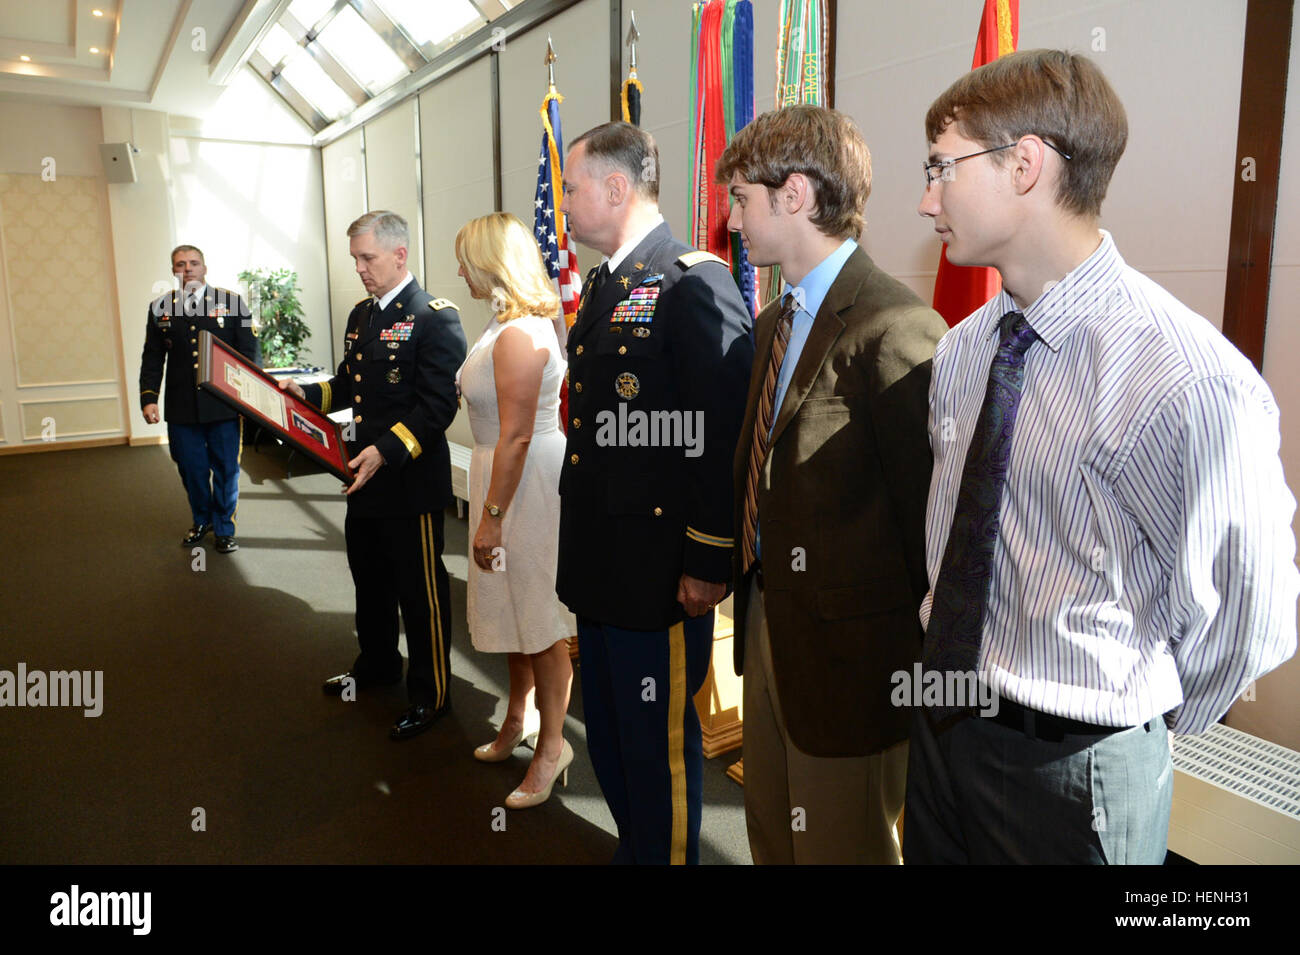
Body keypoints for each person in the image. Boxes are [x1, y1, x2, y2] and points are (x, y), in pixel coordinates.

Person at [907, 49, 1299, 864]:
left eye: (943, 169)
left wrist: (1130, 721)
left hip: (1074, 771)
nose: (925, 199)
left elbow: (1251, 605)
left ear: (1025, 164)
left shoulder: (1184, 376)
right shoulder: (964, 352)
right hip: (942, 731)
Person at [717, 105, 947, 865]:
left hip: (855, 668)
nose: (731, 219)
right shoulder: (775, 322)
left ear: (795, 197)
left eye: (742, 198)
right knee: (773, 836)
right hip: (770, 628)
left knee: (844, 851)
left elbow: (933, 532)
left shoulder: (895, 328)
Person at [557, 122, 754, 864]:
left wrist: (708, 557)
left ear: (615, 187)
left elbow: (718, 433)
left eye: (571, 187)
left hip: (659, 574)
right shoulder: (609, 282)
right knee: (608, 736)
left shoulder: (691, 280)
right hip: (603, 564)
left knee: (659, 751)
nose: (566, 203)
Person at [280, 211, 467, 741]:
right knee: (370, 582)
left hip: (408, 481)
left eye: (368, 258)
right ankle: (378, 664)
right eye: (355, 259)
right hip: (360, 478)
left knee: (421, 592)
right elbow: (349, 384)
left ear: (399, 255)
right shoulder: (362, 315)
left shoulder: (435, 317)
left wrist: (386, 451)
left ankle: (431, 695)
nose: (360, 269)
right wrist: (307, 396)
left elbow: (437, 406)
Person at [454, 212, 576, 808]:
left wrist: (492, 516)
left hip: (523, 485)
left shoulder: (521, 333)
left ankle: (554, 747)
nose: (459, 270)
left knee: (540, 620)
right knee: (511, 611)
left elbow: (519, 436)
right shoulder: (500, 326)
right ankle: (518, 719)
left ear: (490, 263)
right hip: (501, 474)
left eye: (465, 259)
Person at [140, 244, 258, 554]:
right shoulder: (160, 308)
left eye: (194, 263)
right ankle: (201, 519)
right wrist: (148, 398)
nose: (188, 268)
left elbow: (249, 353)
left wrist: (245, 396)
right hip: (181, 407)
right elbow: (152, 358)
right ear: (174, 271)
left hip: (223, 405)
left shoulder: (232, 304)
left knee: (226, 469)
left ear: (205, 268)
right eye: (181, 264)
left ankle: (223, 527)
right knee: (191, 468)